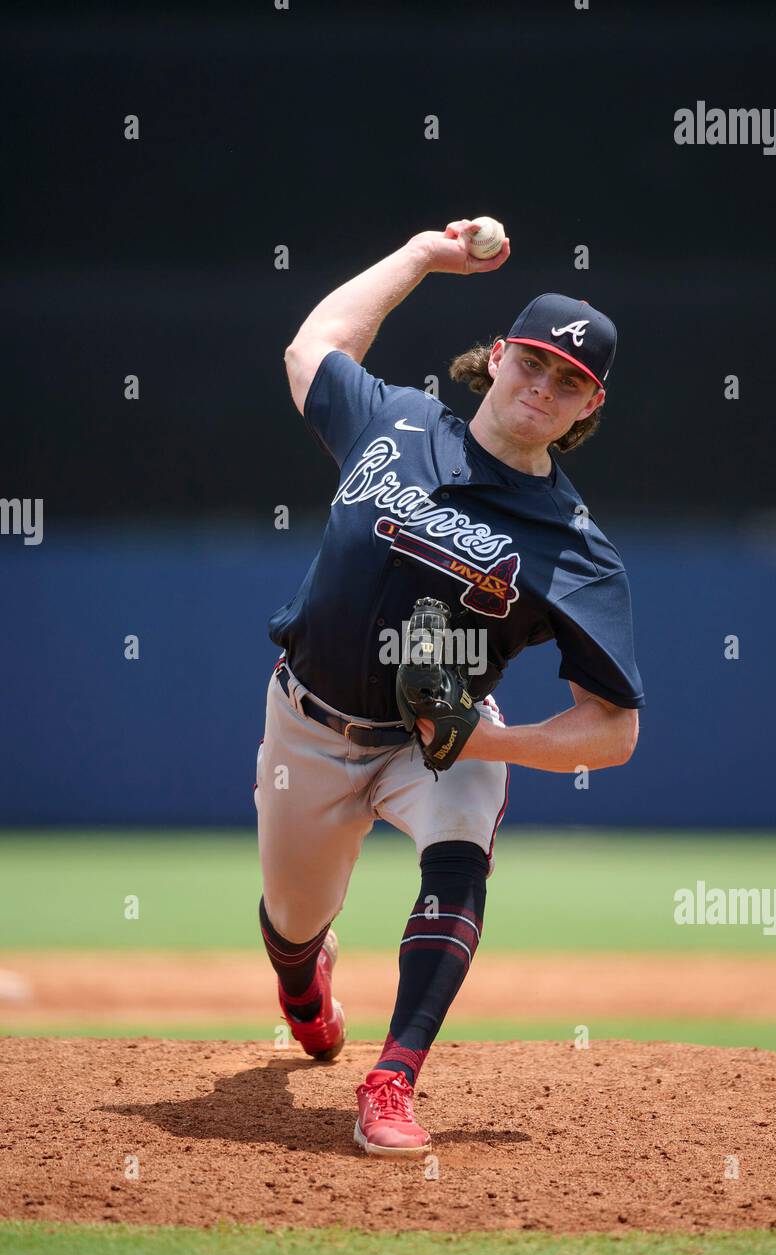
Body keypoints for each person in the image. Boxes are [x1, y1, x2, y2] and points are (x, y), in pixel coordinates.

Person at [255, 218, 644, 1158]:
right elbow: (313, 347)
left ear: (586, 410)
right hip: (305, 728)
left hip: (434, 744)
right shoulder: (392, 420)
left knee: (463, 841)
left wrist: (484, 739)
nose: (543, 390)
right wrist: (426, 255)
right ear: (498, 358)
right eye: (535, 365)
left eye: (571, 384)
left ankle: (392, 1078)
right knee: (292, 926)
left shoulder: (572, 546)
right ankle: (305, 985)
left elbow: (614, 729)